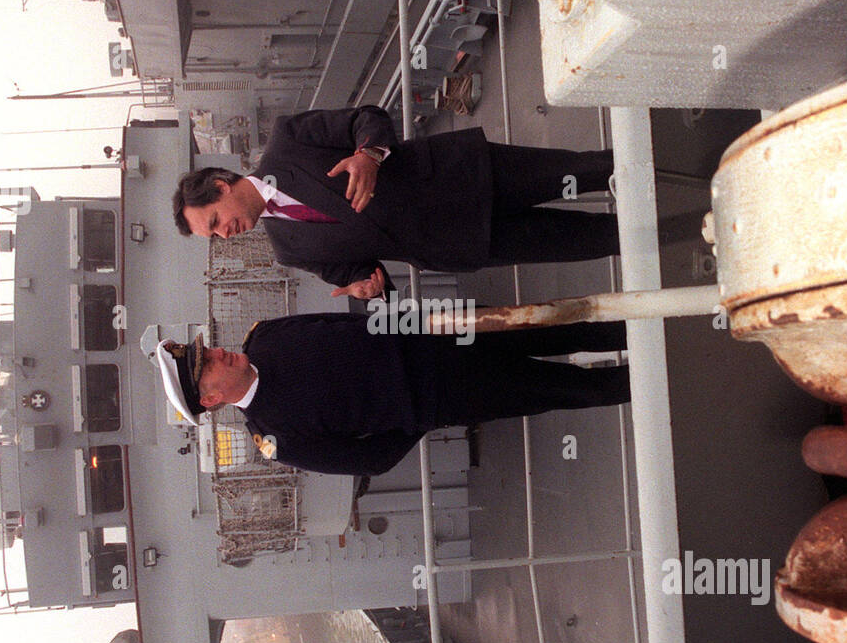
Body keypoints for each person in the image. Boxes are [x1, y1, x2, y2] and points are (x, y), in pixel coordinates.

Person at [171, 105, 618, 299]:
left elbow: (367, 117)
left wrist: (368, 154)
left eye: (214, 221)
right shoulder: (290, 250)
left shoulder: (288, 141)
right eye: (213, 235)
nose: (223, 234)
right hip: (461, 241)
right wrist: (370, 290)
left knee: (585, 172)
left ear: (221, 185)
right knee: (589, 241)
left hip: (463, 175)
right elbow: (367, 280)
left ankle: (675, 170)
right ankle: (674, 231)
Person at [154, 313, 629, 477]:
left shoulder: (265, 337)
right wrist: (421, 414)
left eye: (208, 351)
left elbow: (353, 324)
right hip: (447, 394)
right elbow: (369, 461)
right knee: (569, 388)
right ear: (212, 400)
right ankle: (650, 377)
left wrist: (427, 322)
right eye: (208, 365)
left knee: (560, 327)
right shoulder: (278, 436)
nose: (218, 352)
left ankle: (658, 323)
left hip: (444, 333)